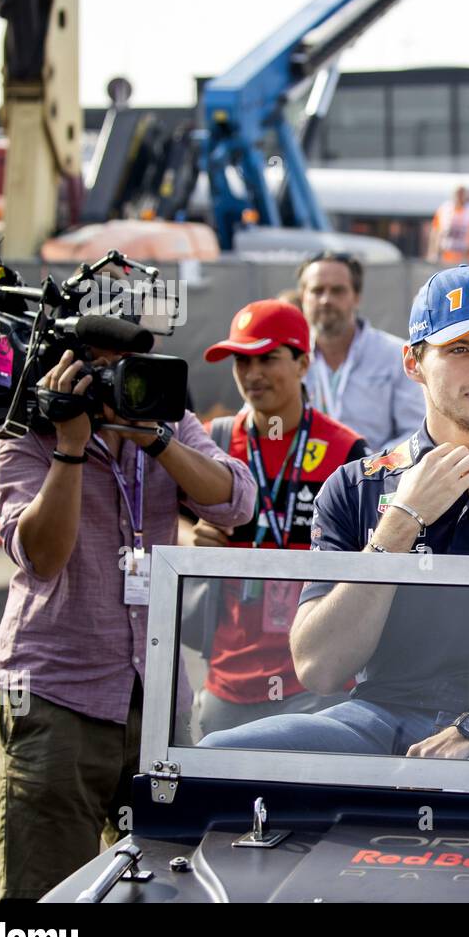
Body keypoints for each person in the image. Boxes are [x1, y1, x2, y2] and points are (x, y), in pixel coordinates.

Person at [201, 265, 469, 760]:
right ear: (413, 362)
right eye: (461, 350)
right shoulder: (355, 486)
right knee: (217, 754)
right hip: (376, 718)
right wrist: (400, 522)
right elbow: (317, 666)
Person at [0, 350, 256, 900]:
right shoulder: (27, 430)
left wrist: (153, 438)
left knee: (161, 884)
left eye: (130, 364)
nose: (121, 381)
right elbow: (42, 556)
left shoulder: (163, 419)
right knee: (47, 892)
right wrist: (69, 445)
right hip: (58, 696)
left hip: (156, 699)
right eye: (103, 369)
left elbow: (236, 501)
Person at [183, 300, 369, 737]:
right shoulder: (214, 442)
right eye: (242, 361)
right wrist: (193, 536)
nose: (252, 374)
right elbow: (169, 520)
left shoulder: (346, 451)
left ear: (304, 363)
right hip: (227, 679)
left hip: (318, 680)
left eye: (268, 358)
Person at [298, 250, 423, 450]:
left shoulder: (396, 356)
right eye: (317, 290)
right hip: (302, 476)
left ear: (356, 297)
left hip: (377, 477)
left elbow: (416, 430)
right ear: (303, 297)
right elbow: (269, 422)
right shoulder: (286, 358)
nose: (326, 300)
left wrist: (366, 467)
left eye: (337, 291)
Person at [428, 185, 469, 265]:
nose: (460, 196)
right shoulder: (444, 209)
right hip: (446, 256)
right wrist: (433, 252)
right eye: (458, 193)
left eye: (462, 193)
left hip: (467, 257)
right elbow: (436, 231)